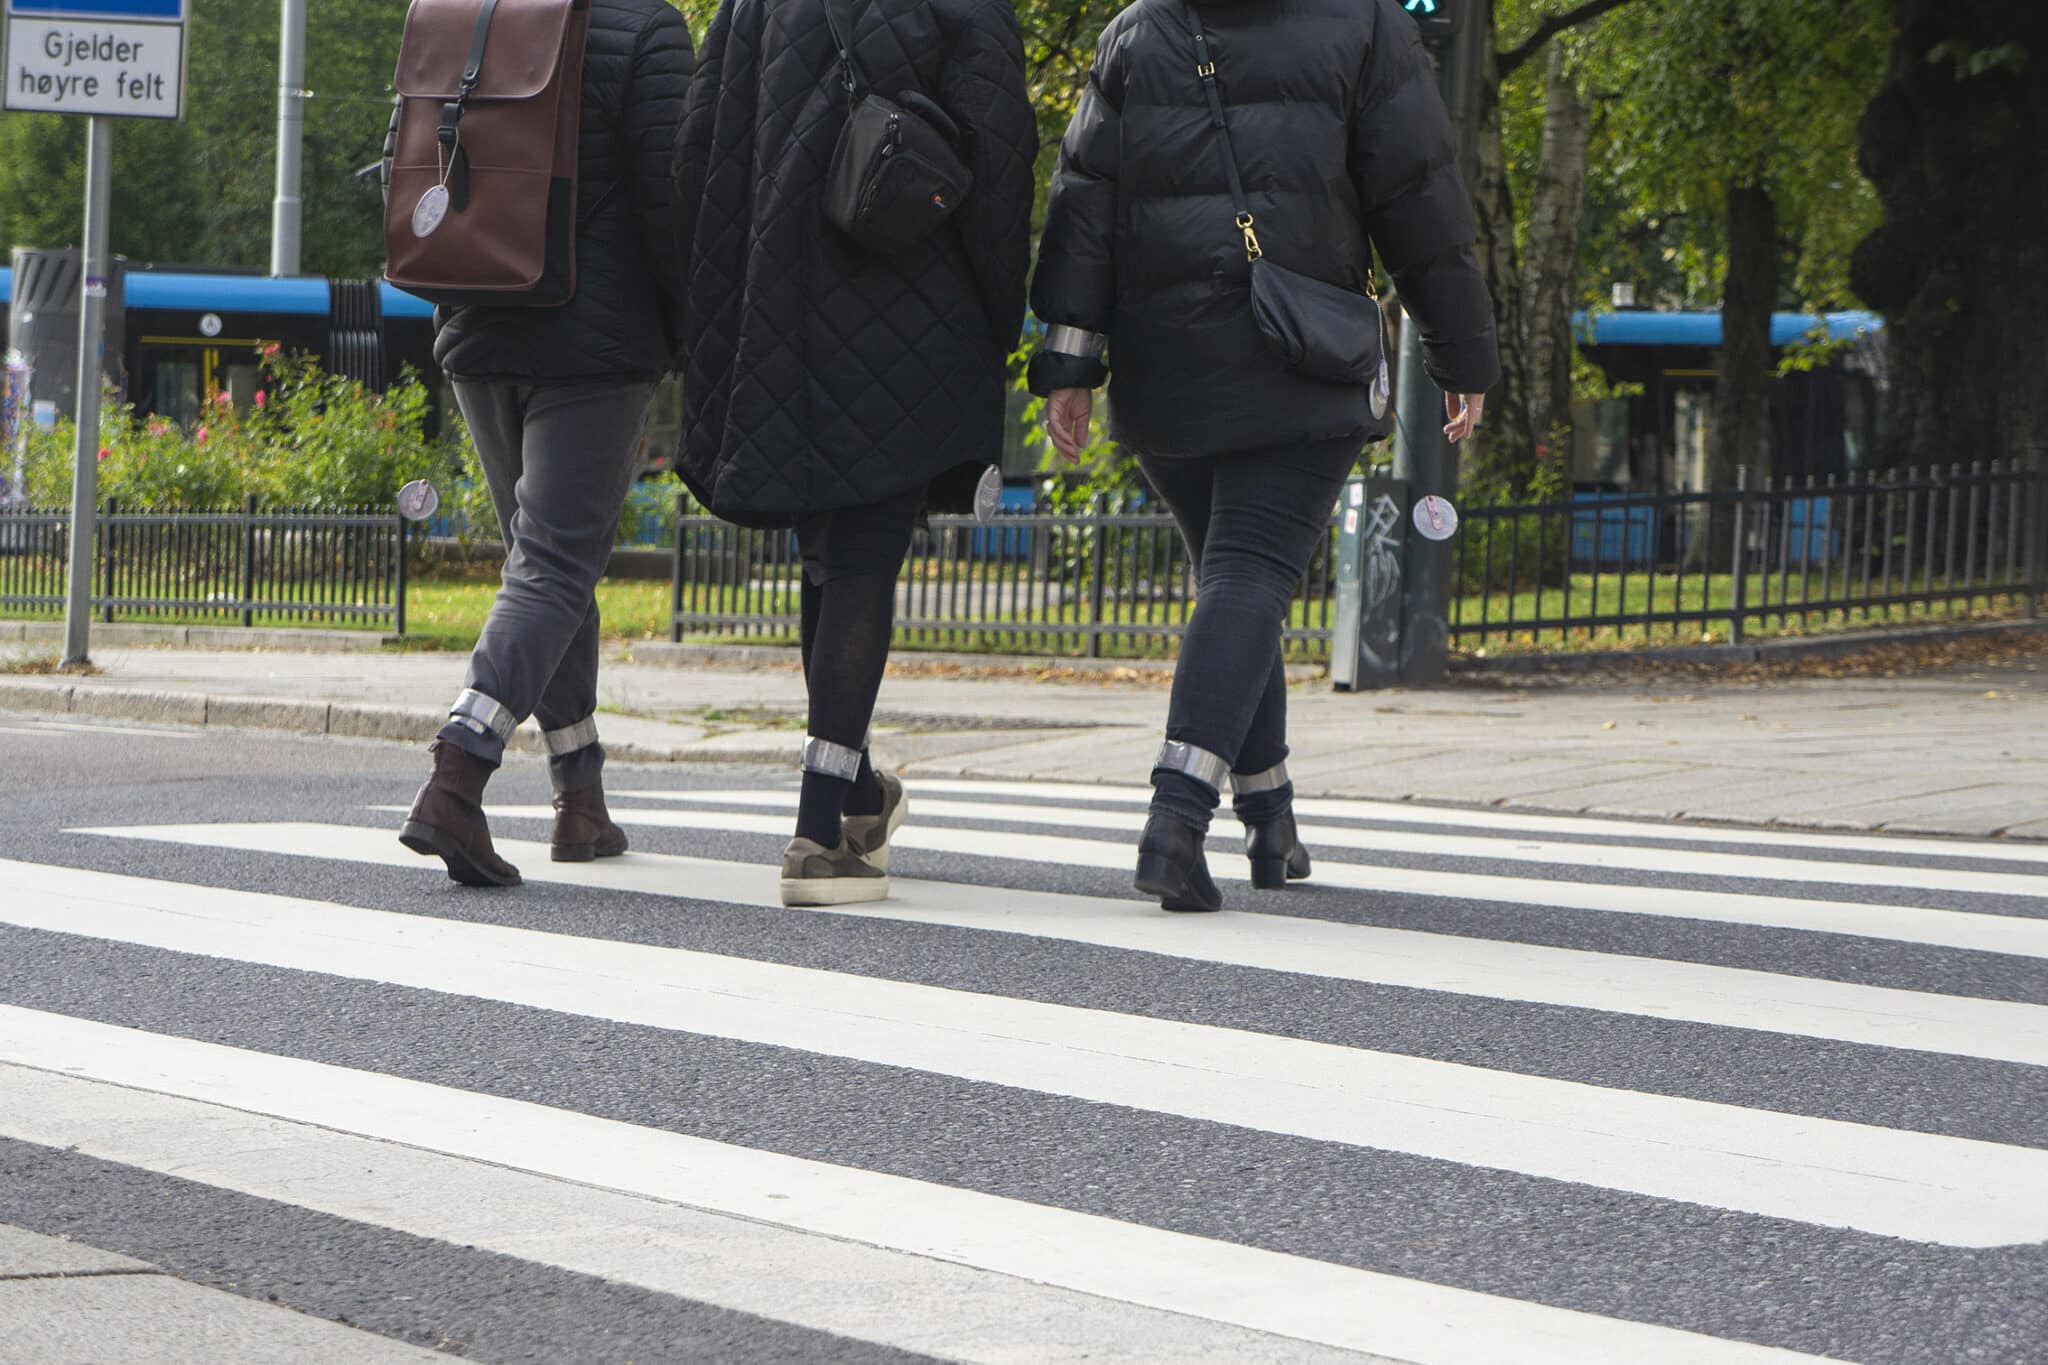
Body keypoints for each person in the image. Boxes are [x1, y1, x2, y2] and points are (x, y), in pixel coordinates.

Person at [1028, 0, 1499, 912]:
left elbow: (1084, 198)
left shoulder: (1137, 30)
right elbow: (1420, 200)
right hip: (1300, 356)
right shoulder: (1362, 25)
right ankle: (1176, 816)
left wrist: (1071, 362)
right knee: (1248, 576)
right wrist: (1463, 353)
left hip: (1166, 367)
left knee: (1232, 580)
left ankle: (1271, 817)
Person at [673, 0, 1037, 906]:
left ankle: (858, 795)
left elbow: (700, 151)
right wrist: (999, 314)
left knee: (828, 560)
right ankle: (819, 831)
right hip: (908, 302)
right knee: (865, 560)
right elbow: (1001, 157)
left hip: (778, 315)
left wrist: (718, 313)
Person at [399, 0, 694, 888]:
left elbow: (411, 158)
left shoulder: (460, 18)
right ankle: (458, 769)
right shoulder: (648, 28)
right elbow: (671, 198)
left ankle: (581, 792)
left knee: (545, 566)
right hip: (594, 346)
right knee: (557, 566)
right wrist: (692, 336)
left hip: (479, 318)